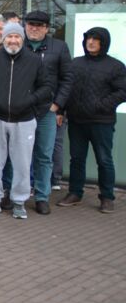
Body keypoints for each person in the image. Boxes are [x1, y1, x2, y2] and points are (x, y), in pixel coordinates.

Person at [0, 22, 52, 218]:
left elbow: (46, 86)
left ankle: (19, 200)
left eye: (17, 36)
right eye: (10, 36)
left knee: (23, 163)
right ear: (4, 38)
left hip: (24, 119)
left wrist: (29, 101)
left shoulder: (34, 60)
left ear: (22, 39)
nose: (13, 40)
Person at [7, 10, 73, 215]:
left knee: (44, 155)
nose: (34, 28)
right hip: (20, 110)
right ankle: (13, 192)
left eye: (39, 25)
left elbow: (67, 79)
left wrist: (57, 105)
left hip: (46, 111)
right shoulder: (17, 44)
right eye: (30, 24)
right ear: (25, 26)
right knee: (15, 154)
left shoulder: (59, 47)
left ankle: (42, 197)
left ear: (46, 28)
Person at [58, 27, 126, 213]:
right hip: (77, 121)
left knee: (104, 160)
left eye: (96, 39)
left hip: (101, 121)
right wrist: (61, 110)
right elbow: (66, 88)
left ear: (103, 43)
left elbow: (122, 91)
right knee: (76, 159)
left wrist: (101, 105)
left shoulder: (115, 66)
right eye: (88, 38)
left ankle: (107, 197)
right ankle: (75, 193)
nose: (91, 42)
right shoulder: (75, 63)